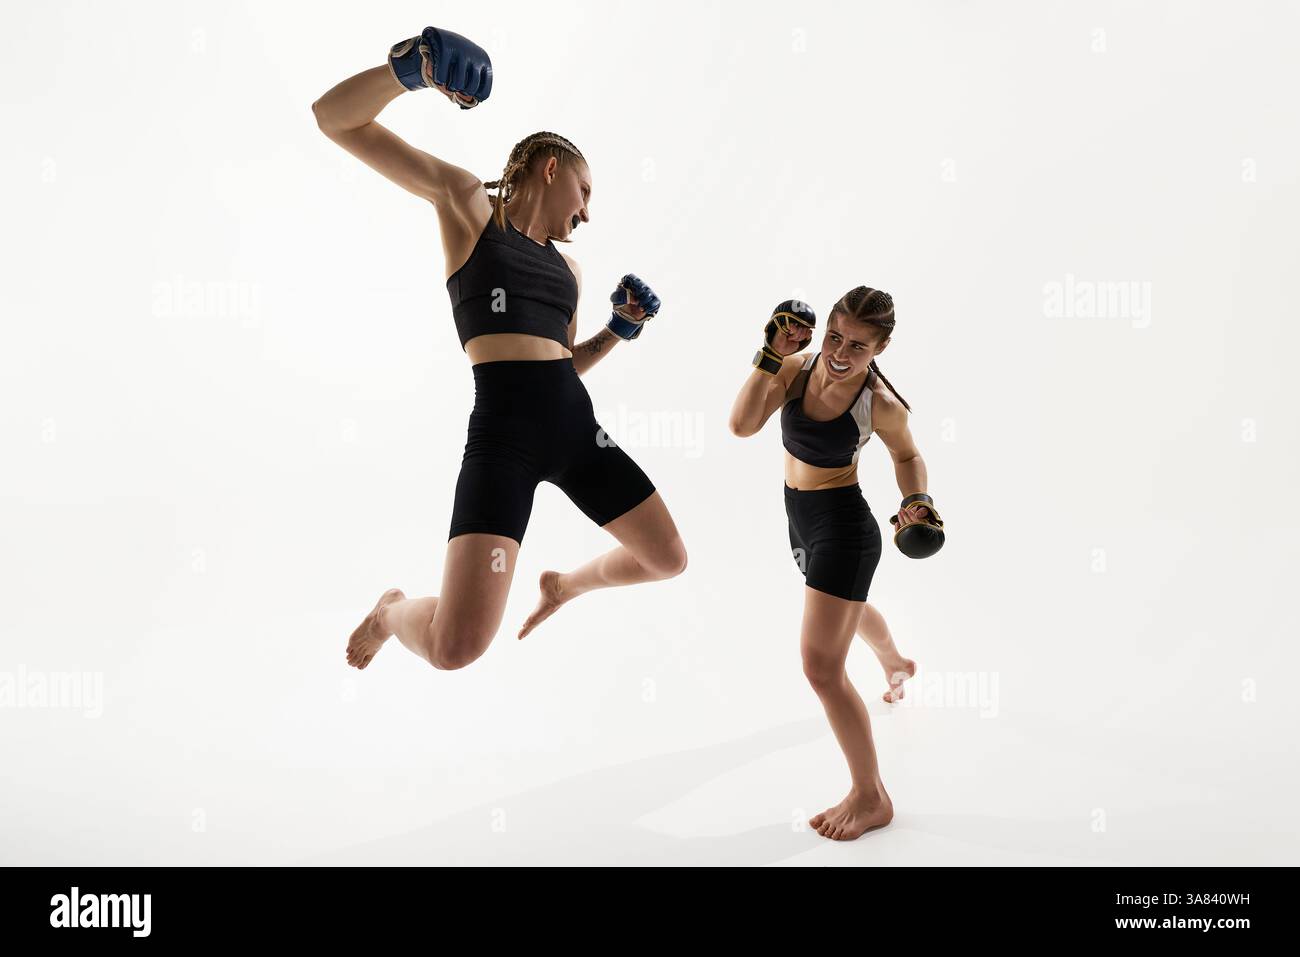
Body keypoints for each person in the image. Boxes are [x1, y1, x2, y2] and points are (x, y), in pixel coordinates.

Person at [312, 26, 687, 672]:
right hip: (504, 441)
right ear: (551, 168)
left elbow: (560, 364)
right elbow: (335, 120)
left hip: (577, 432)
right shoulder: (467, 207)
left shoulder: (570, 272)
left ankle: (564, 585)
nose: (588, 214)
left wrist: (616, 333)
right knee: (455, 647)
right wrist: (408, 74)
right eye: (586, 191)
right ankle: (390, 611)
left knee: (668, 557)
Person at [729, 288, 945, 841]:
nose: (841, 353)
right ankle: (897, 662)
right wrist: (771, 353)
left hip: (845, 528)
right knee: (844, 608)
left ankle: (871, 797)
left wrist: (914, 501)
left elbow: (907, 455)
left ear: (881, 347)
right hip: (800, 515)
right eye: (834, 337)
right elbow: (742, 424)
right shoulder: (797, 370)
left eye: (858, 345)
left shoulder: (881, 406)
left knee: (821, 668)